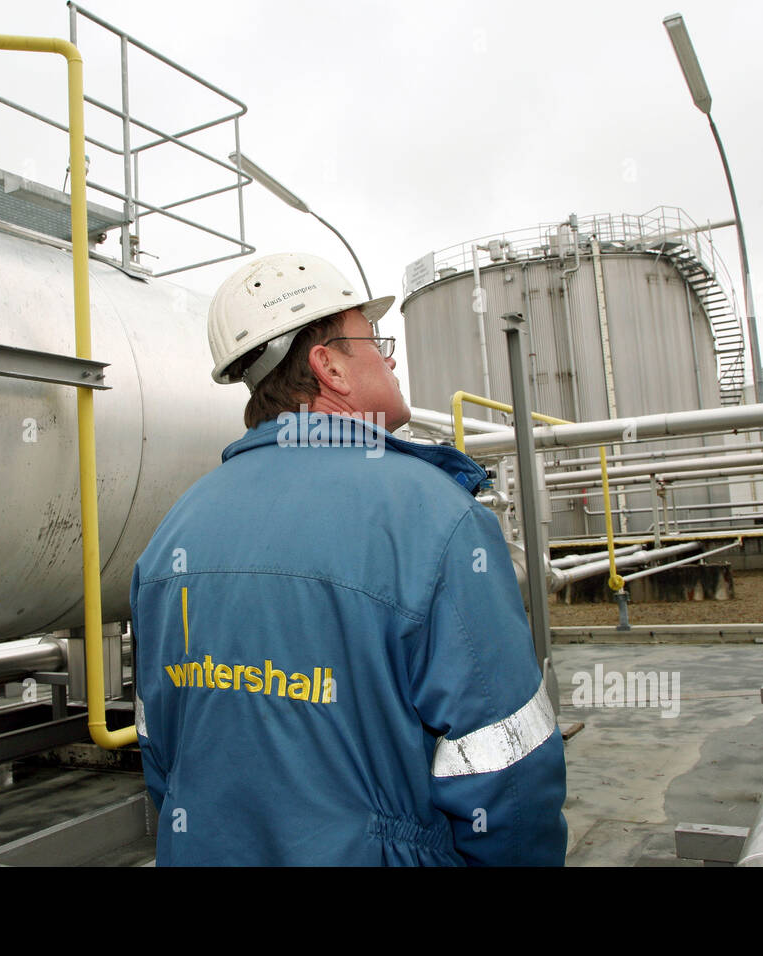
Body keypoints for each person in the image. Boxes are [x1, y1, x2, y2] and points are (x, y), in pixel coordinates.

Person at [131, 252, 567, 865]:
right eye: (374, 341)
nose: (389, 358)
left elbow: (160, 749)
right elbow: (509, 773)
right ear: (329, 365)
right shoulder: (435, 519)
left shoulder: (174, 530)